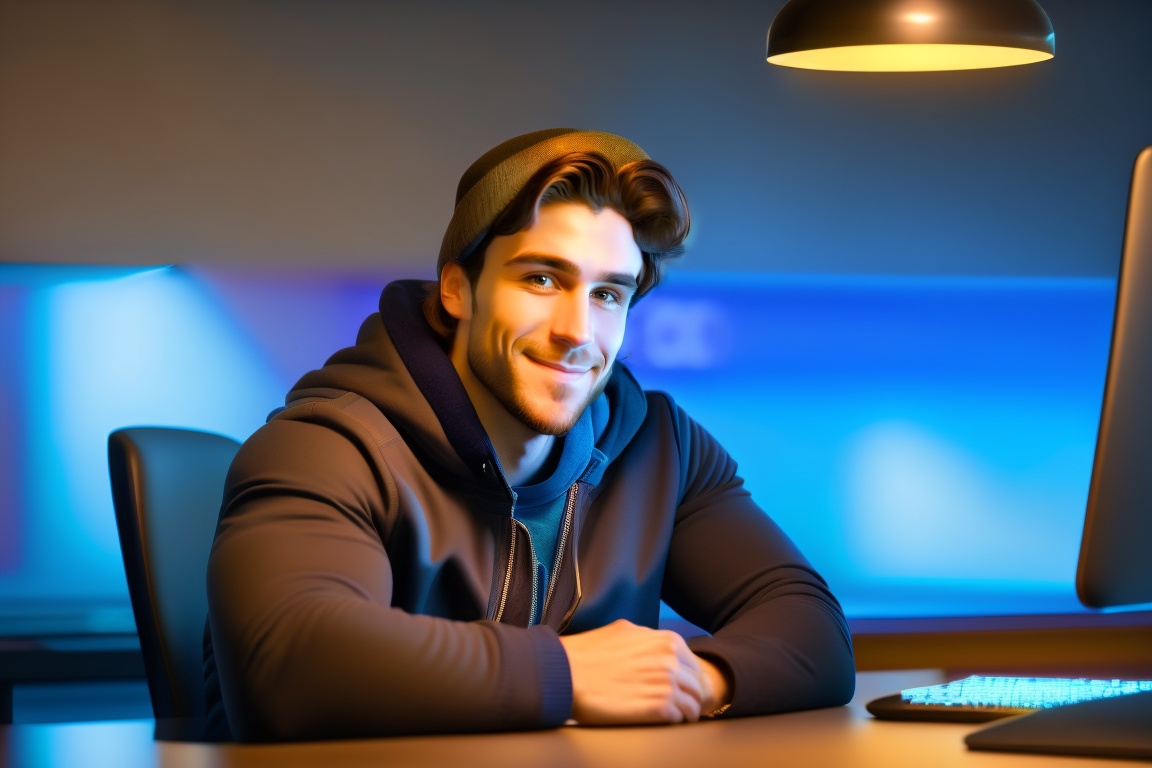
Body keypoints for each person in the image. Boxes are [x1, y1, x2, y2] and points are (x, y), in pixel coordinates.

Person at [205, 128, 855, 741]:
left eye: (608, 295)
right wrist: (568, 676)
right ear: (460, 289)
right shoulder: (325, 447)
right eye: (542, 279)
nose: (577, 331)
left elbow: (813, 631)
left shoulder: (661, 446)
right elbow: (291, 663)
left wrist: (693, 680)